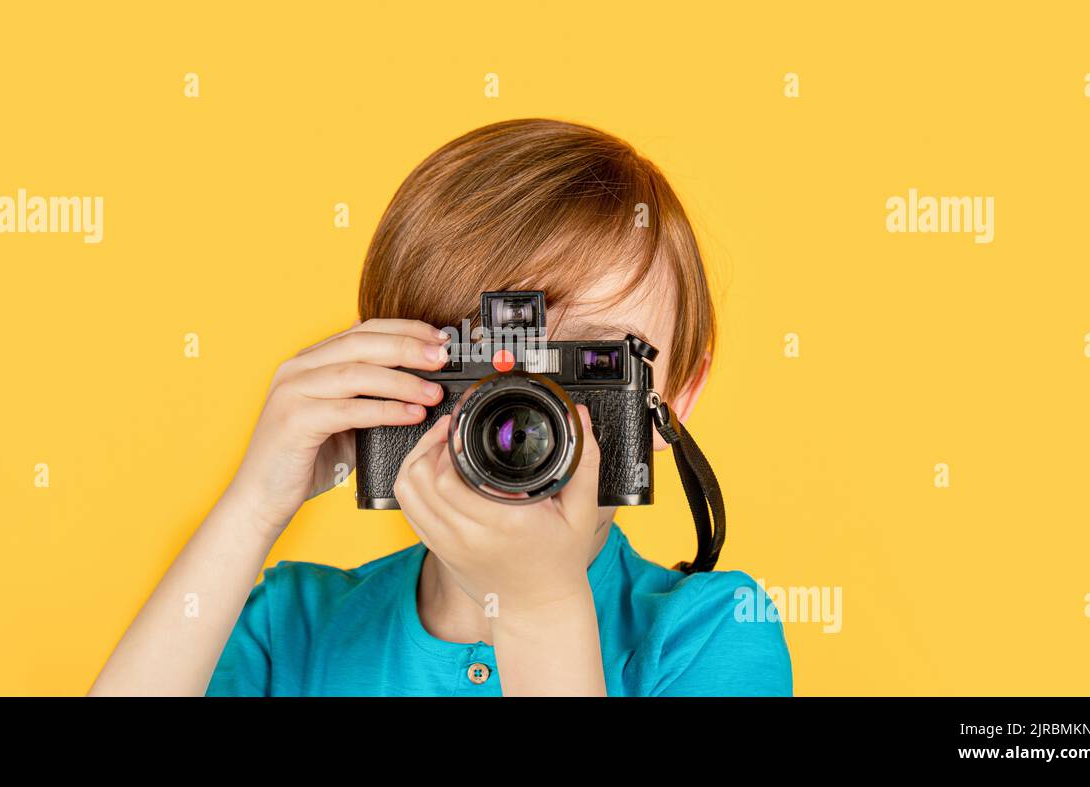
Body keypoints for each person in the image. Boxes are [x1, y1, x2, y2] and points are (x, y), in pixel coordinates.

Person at [89, 118, 792, 696]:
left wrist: (540, 612)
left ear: (672, 400)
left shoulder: (713, 634)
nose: (523, 411)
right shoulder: (290, 627)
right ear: (386, 374)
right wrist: (253, 505)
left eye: (588, 362)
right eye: (474, 358)